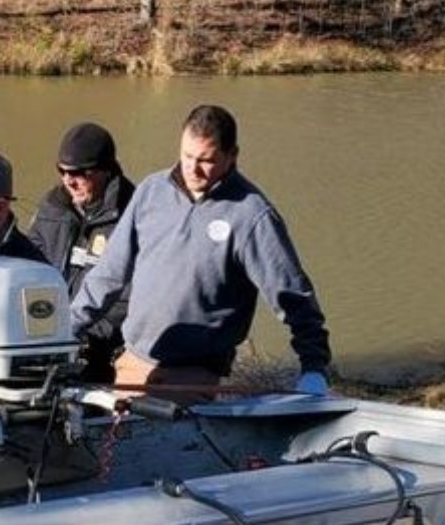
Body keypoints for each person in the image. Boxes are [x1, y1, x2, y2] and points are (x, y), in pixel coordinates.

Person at [71, 104, 330, 397]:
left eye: (206, 160)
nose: (192, 169)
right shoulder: (150, 191)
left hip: (193, 376)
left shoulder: (251, 215)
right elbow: (109, 274)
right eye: (187, 156)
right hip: (133, 364)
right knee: (111, 441)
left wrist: (314, 368)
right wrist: (67, 330)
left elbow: (293, 296)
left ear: (232, 156)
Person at [28, 122, 136, 384]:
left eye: (78, 173)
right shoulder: (52, 208)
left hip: (100, 351)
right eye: (62, 171)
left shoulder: (132, 216)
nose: (68, 180)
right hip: (44, 340)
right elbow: (29, 271)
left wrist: (84, 336)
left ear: (105, 171)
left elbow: (129, 297)